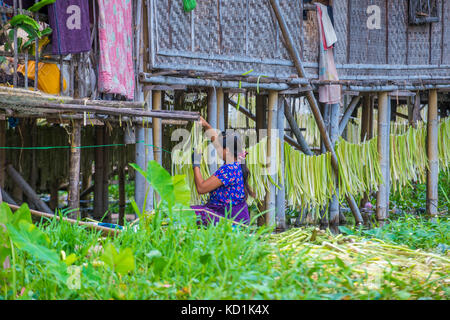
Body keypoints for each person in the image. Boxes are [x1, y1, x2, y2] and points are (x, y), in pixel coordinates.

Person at [191, 116, 256, 227]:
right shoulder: (236, 162)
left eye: (220, 148)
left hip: (231, 221)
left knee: (184, 213)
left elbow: (201, 188)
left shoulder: (229, 170)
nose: (217, 149)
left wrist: (196, 164)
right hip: (232, 216)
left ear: (228, 150)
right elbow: (215, 139)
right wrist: (206, 125)